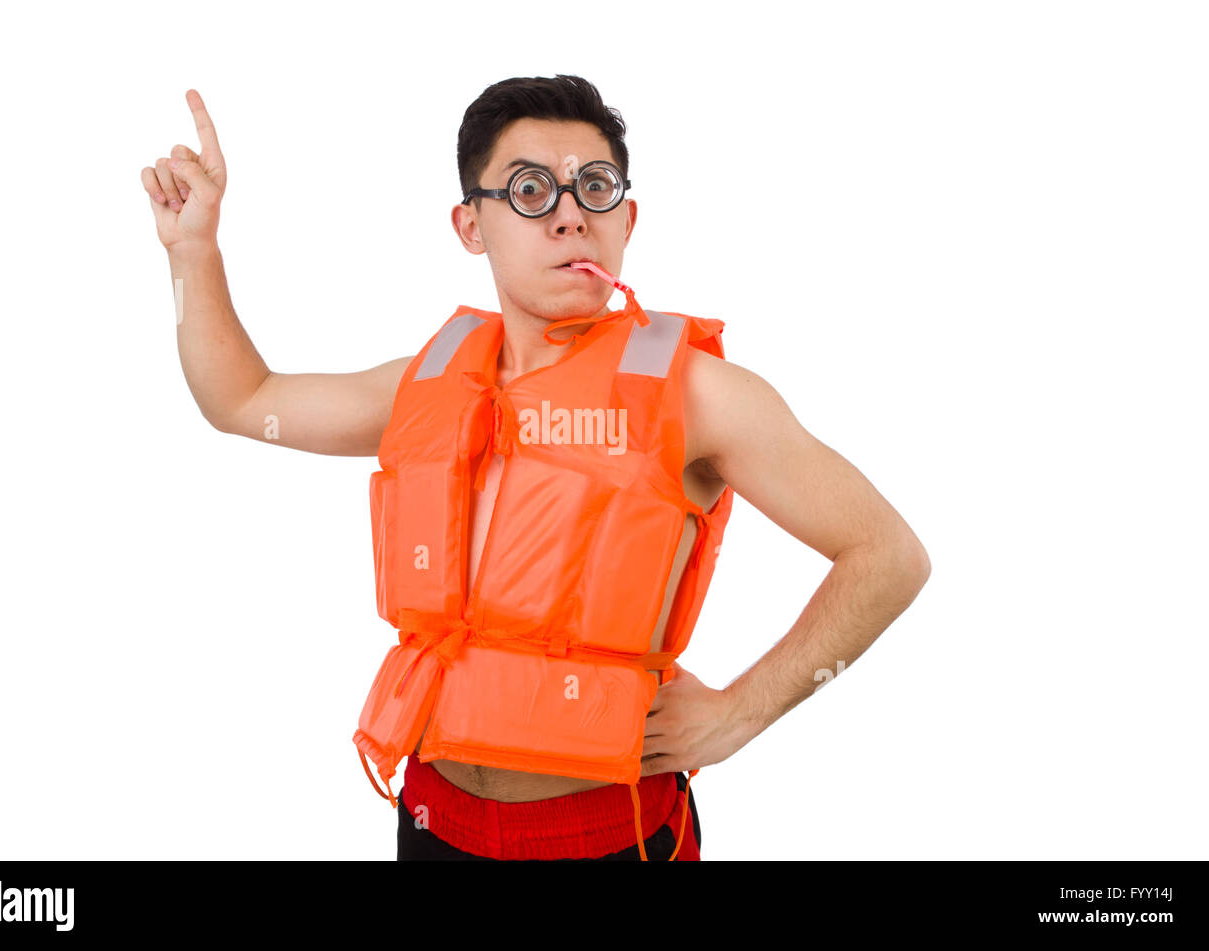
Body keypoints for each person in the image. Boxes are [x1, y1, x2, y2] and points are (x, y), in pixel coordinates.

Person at [141, 76, 931, 861]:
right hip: (432, 820)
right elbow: (242, 400)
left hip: (609, 835)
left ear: (627, 218)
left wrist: (740, 713)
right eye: (529, 190)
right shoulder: (427, 382)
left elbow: (889, 555)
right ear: (470, 224)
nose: (568, 215)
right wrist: (193, 251)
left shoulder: (704, 397)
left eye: (594, 187)